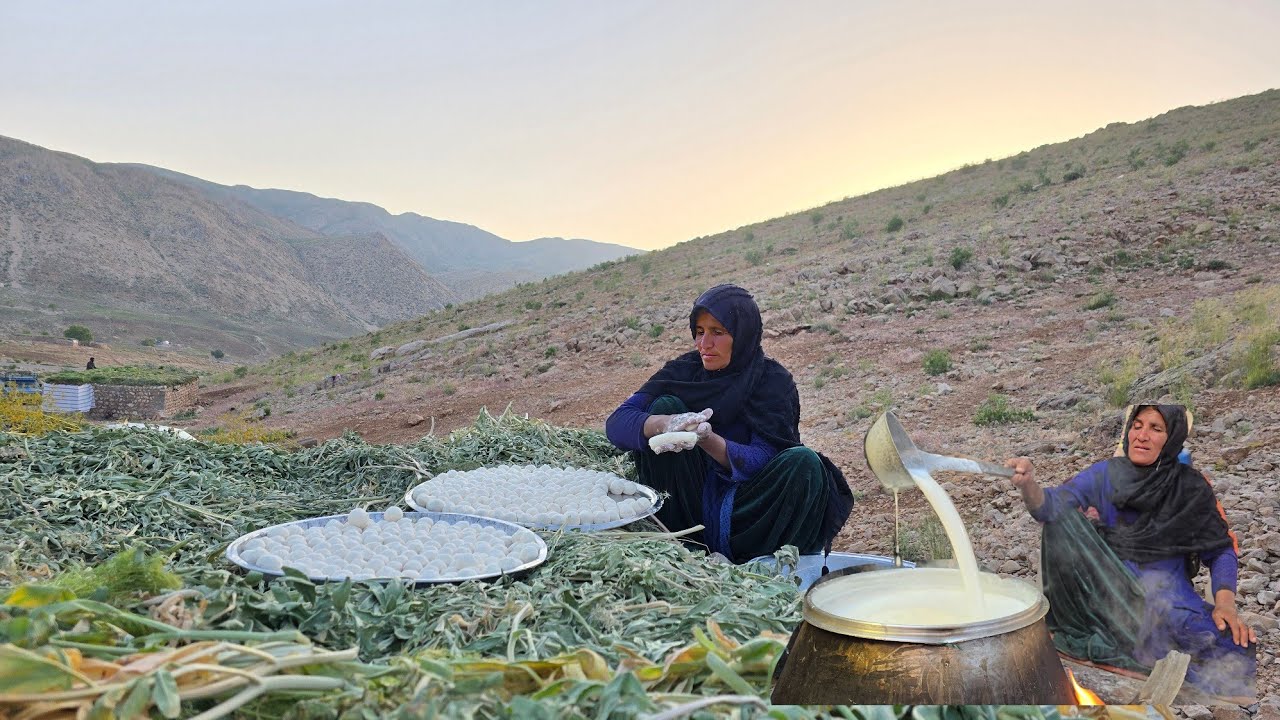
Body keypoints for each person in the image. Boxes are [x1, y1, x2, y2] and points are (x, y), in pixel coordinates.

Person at [1007, 404, 1256, 700]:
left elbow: (1220, 550)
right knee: (1061, 521)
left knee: (1238, 652)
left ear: (1172, 437)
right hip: (1109, 587)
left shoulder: (1191, 487)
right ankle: (1106, 636)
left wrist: (1225, 604)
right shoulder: (1106, 474)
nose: (1142, 436)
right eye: (1137, 426)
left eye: (1156, 428)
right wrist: (1029, 485)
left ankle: (1124, 645)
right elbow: (1049, 507)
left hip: (1168, 598)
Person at [605, 284, 854, 563]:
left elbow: (766, 457)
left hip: (749, 506)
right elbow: (617, 423)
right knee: (664, 405)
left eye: (718, 332)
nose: (704, 344)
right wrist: (666, 423)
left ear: (743, 334)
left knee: (805, 463)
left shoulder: (771, 382)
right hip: (689, 501)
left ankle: (762, 564)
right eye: (699, 332)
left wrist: (708, 439)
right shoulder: (684, 372)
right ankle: (686, 550)